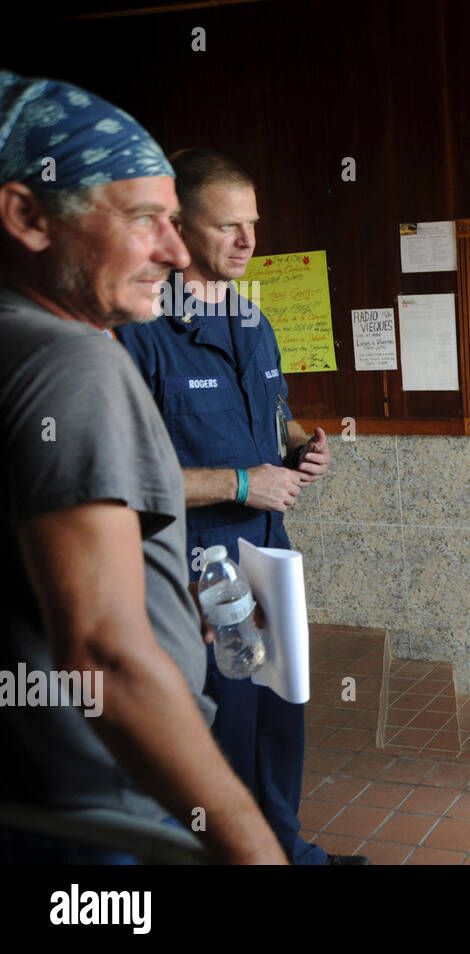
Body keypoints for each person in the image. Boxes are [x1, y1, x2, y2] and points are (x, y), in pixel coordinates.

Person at [0, 71, 284, 864]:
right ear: (27, 215)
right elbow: (105, 656)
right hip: (100, 816)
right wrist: (252, 852)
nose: (173, 248)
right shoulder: (69, 360)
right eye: (143, 220)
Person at [115, 149, 354, 864]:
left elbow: (269, 419)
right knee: (221, 727)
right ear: (179, 228)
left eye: (253, 224)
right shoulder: (139, 331)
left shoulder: (253, 321)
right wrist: (242, 484)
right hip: (191, 575)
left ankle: (284, 848)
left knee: (280, 714)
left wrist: (298, 443)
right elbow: (124, 473)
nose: (249, 241)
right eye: (229, 227)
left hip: (267, 560)